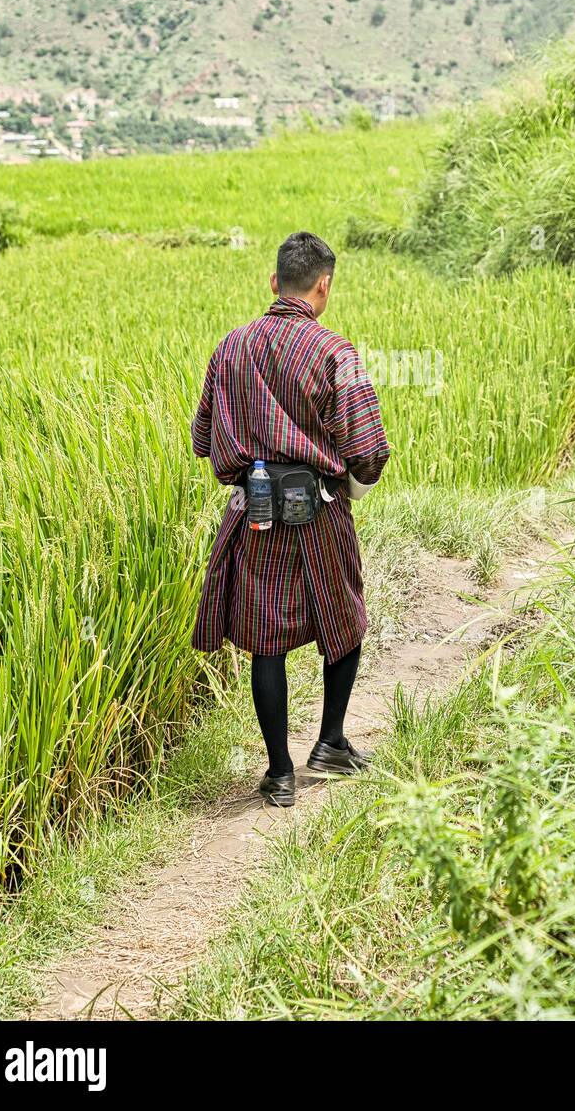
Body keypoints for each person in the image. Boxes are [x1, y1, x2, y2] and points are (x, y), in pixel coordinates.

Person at [190, 231, 390, 807]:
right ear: (323, 287)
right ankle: (329, 743)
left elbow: (203, 436)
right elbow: (368, 447)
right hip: (319, 511)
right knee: (343, 620)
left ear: (275, 282)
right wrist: (356, 475)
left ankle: (279, 773)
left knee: (266, 641)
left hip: (252, 512)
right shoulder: (336, 354)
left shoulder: (229, 348)